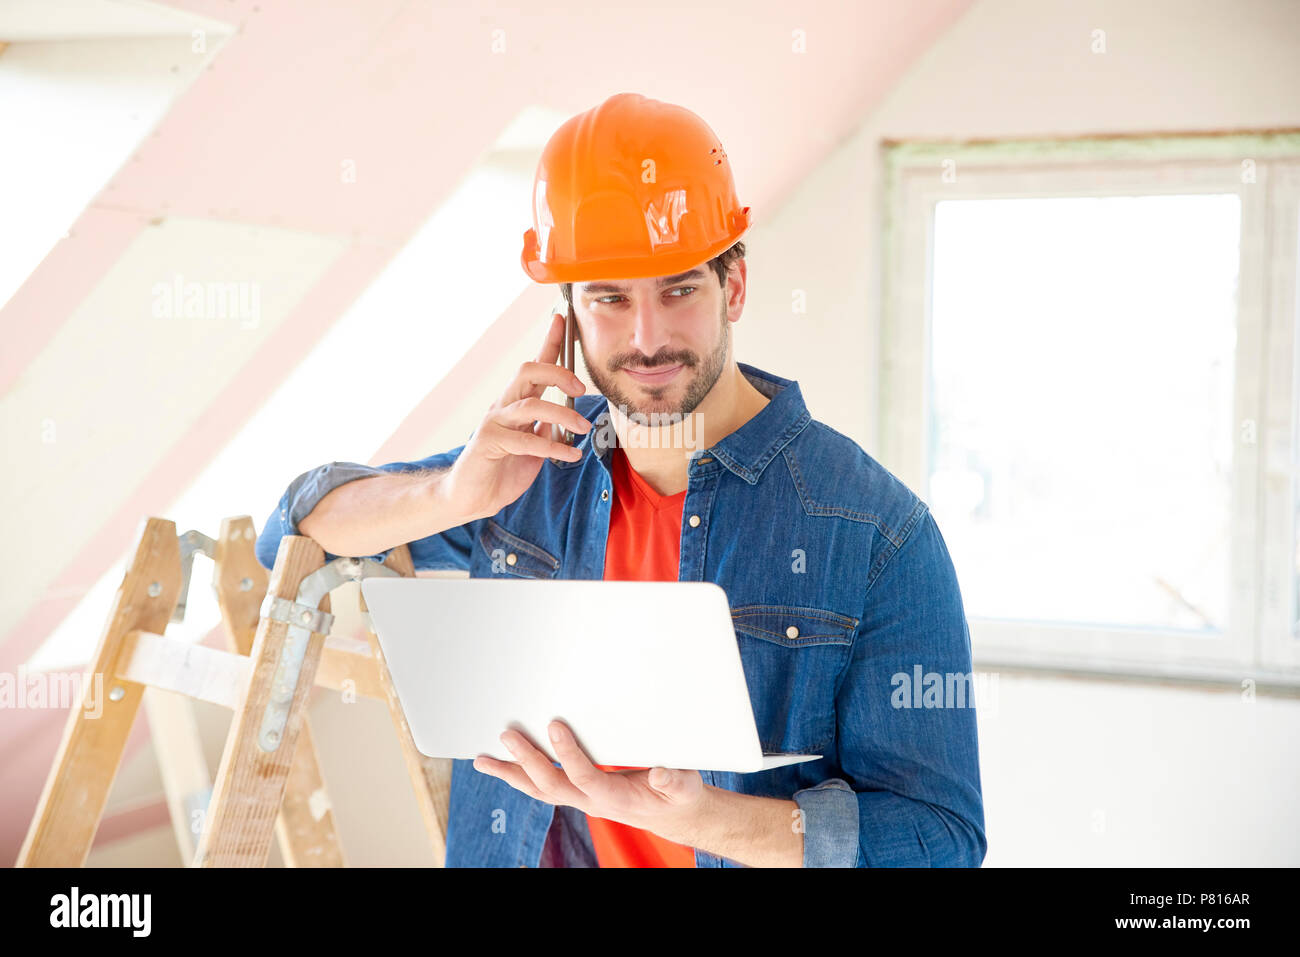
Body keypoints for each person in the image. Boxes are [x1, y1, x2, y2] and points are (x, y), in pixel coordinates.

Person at [255, 92, 986, 868]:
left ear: (733, 285)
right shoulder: (529, 478)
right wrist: (452, 495)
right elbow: (293, 528)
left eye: (678, 289)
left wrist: (708, 818)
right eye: (609, 297)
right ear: (567, 312)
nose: (647, 338)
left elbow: (940, 839)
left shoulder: (877, 532)